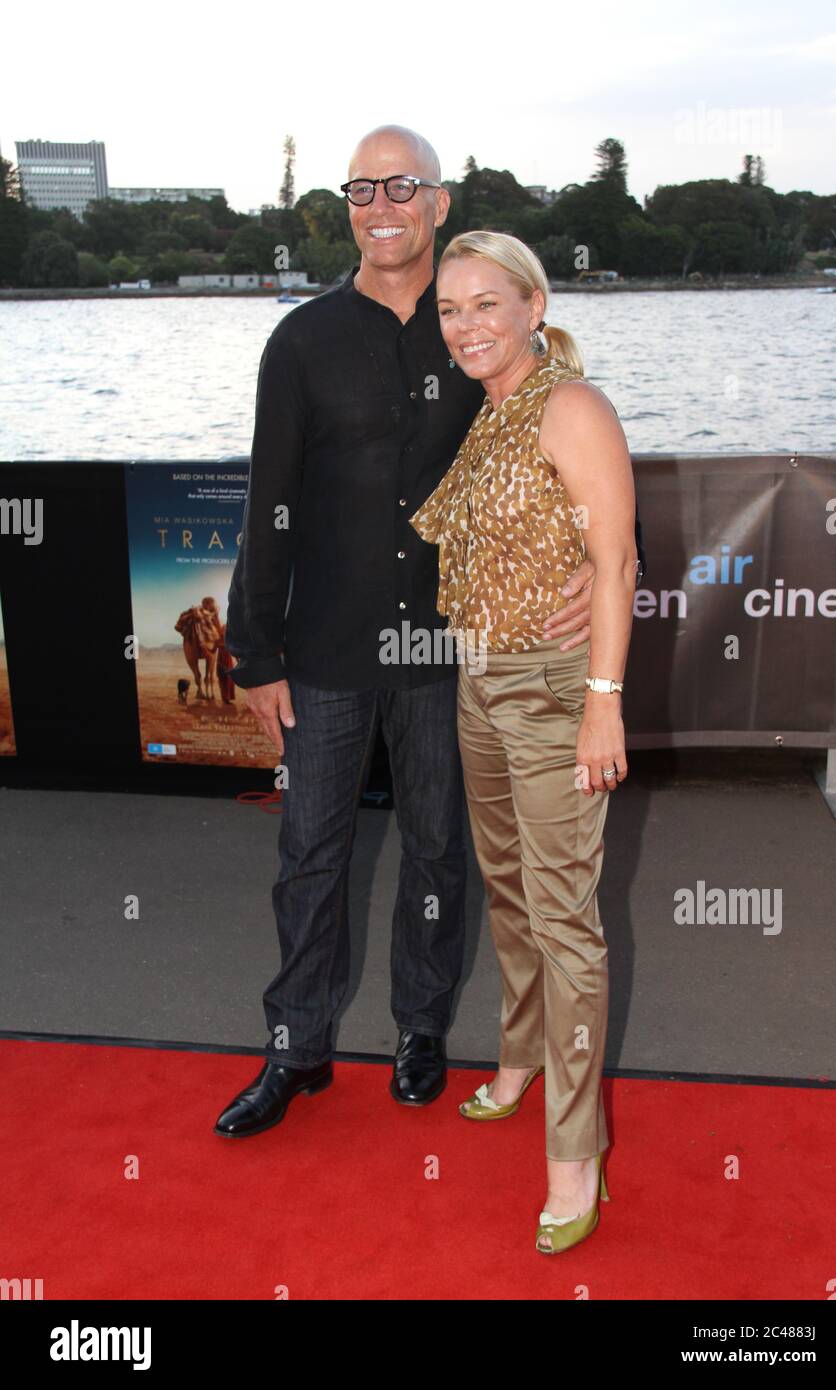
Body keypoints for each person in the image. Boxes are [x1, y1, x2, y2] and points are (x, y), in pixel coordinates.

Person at [214, 125, 646, 1141]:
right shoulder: (303, 340)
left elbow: (574, 456)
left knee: (441, 854)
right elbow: (266, 499)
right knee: (309, 854)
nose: (382, 204)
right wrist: (253, 648)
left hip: (450, 654)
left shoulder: (475, 334)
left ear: (437, 204)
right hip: (320, 649)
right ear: (348, 208)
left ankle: (418, 1033)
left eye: (401, 185)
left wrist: (611, 564)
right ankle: (295, 1048)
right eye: (362, 188)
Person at [410, 229, 636, 1254]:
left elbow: (617, 560)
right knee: (504, 884)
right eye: (450, 309)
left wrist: (601, 699)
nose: (465, 326)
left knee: (563, 916)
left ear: (533, 304)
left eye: (485, 304)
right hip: (480, 677)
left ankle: (573, 1151)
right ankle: (514, 1057)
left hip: (553, 694)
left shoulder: (571, 406)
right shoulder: (490, 407)